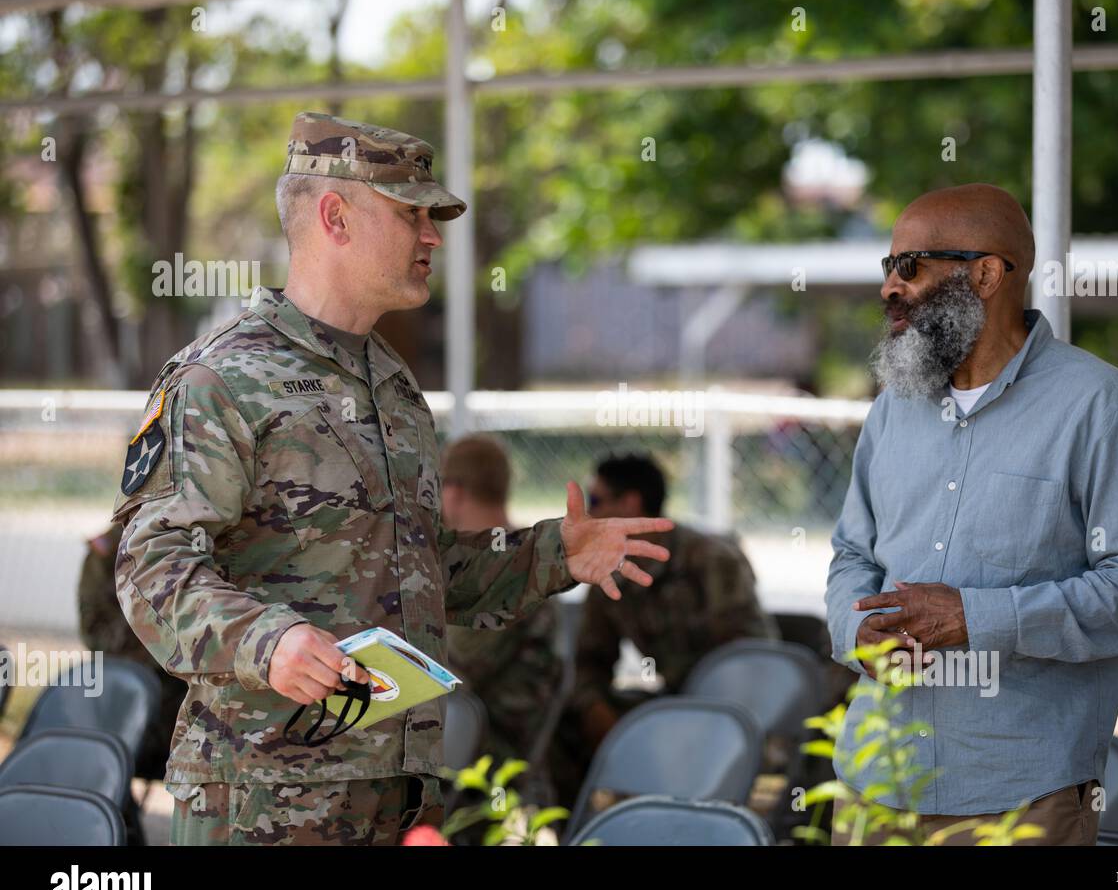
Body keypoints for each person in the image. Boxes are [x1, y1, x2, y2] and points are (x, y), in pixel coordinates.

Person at [112, 112, 673, 846]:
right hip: (262, 801)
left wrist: (554, 554)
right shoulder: (222, 376)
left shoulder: (393, 385)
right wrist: (267, 641)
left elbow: (422, 570)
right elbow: (150, 564)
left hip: (398, 794)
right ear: (335, 216)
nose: (433, 235)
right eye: (412, 213)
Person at [826, 183, 1118, 846]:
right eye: (887, 267)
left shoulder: (1098, 405)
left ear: (987, 274)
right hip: (878, 781)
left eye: (911, 266)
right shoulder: (893, 408)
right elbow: (853, 555)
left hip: (1021, 799)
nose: (889, 288)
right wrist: (857, 637)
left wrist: (977, 617)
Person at [556, 452, 777, 805]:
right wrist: (594, 708)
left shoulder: (711, 560)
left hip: (727, 711)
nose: (588, 511)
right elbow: (588, 659)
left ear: (630, 503)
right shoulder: (610, 570)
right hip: (672, 703)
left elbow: (753, 665)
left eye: (595, 499)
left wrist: (695, 725)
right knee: (564, 719)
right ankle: (586, 831)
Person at [441, 435, 564, 804]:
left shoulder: (498, 569)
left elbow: (452, 670)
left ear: (453, 493)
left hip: (484, 775)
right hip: (484, 758)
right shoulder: (519, 555)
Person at [78, 521, 187, 780]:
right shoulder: (109, 551)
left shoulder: (197, 541)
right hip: (129, 694)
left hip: (183, 694)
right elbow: (95, 632)